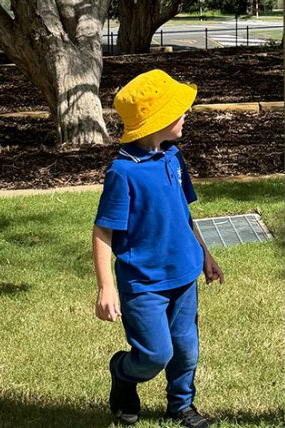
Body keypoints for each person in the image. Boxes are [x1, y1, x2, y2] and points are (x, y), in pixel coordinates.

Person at [92, 69, 224, 428]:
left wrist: (205, 255)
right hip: (144, 284)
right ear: (157, 120)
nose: (185, 116)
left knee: (185, 350)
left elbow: (184, 214)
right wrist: (106, 287)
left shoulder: (174, 158)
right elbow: (103, 232)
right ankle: (122, 372)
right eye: (178, 111)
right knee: (155, 354)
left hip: (183, 275)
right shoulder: (123, 173)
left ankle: (181, 406)